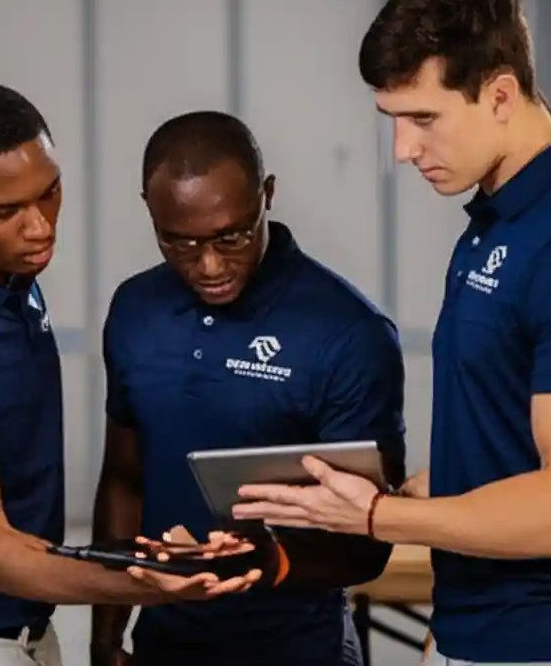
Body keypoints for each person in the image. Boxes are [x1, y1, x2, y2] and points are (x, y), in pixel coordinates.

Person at [233, 0, 551, 666]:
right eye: (393, 120)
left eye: (423, 118)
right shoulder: (490, 231)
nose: (404, 150)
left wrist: (378, 516)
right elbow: (499, 453)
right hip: (478, 633)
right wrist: (346, 496)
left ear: (500, 94)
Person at [0, 83, 259, 666]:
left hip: (23, 639)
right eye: (5, 212)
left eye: (49, 193)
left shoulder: (5, 277)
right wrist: (144, 581)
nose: (39, 227)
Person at [92, 110, 408, 666]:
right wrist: (105, 634)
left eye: (231, 236)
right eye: (180, 243)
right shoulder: (135, 311)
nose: (210, 265)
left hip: (299, 650)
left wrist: (271, 562)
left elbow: (368, 543)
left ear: (267, 195)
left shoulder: (348, 333)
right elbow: (123, 480)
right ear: (149, 208)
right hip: (165, 646)